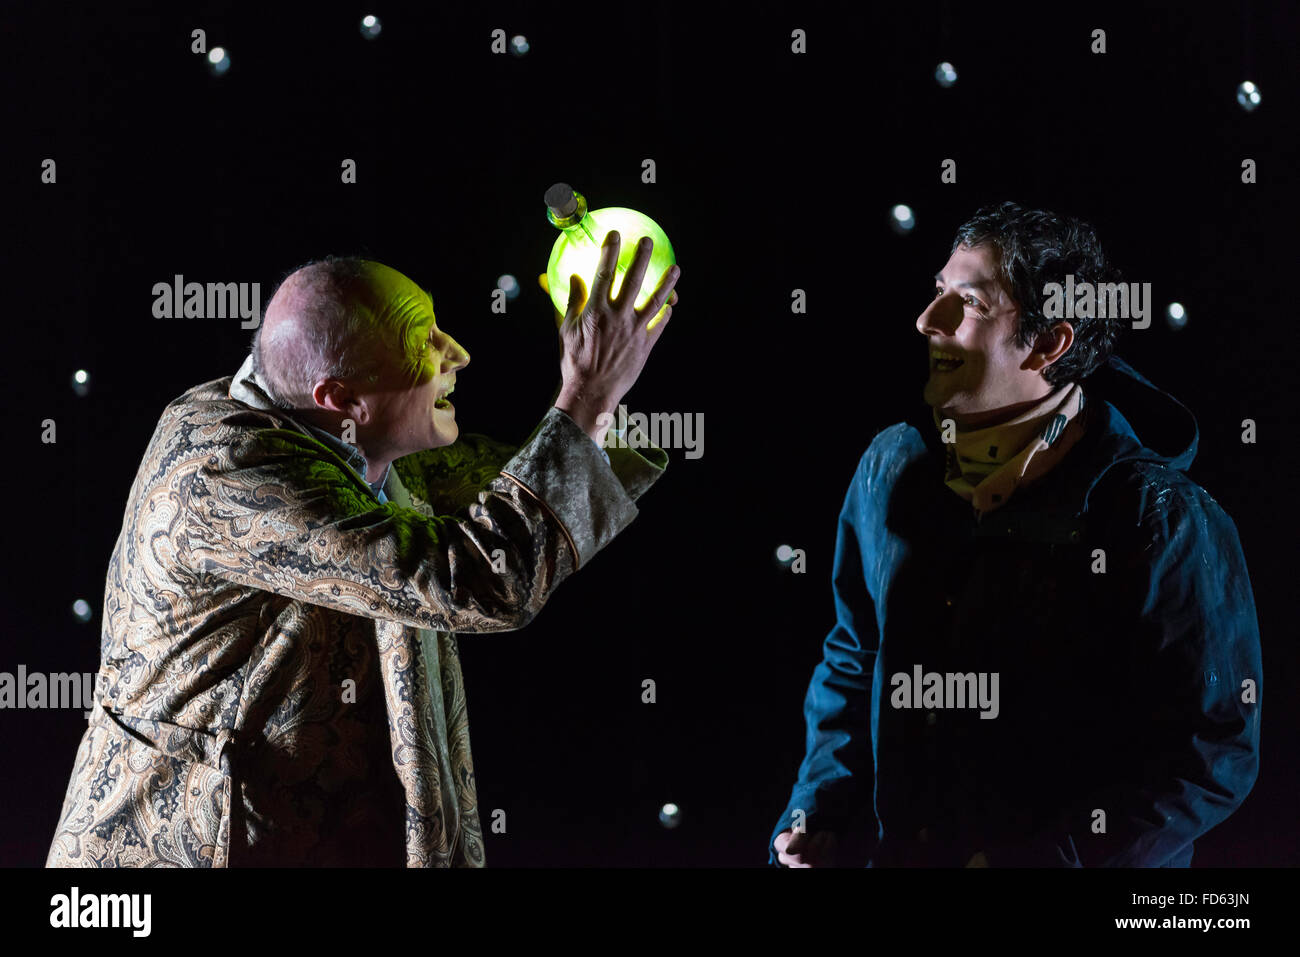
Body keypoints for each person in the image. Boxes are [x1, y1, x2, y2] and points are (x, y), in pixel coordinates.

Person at [47, 230, 680, 866]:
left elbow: (514, 491)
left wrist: (600, 376)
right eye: (423, 342)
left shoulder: (333, 431)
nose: (457, 353)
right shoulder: (228, 474)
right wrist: (587, 394)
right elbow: (482, 575)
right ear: (342, 399)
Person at [770, 202, 1261, 868]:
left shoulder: (1163, 519)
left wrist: (1052, 860)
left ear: (1049, 342)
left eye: (966, 303)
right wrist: (817, 811)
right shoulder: (889, 470)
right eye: (937, 292)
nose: (925, 320)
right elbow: (854, 659)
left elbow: (1213, 750)